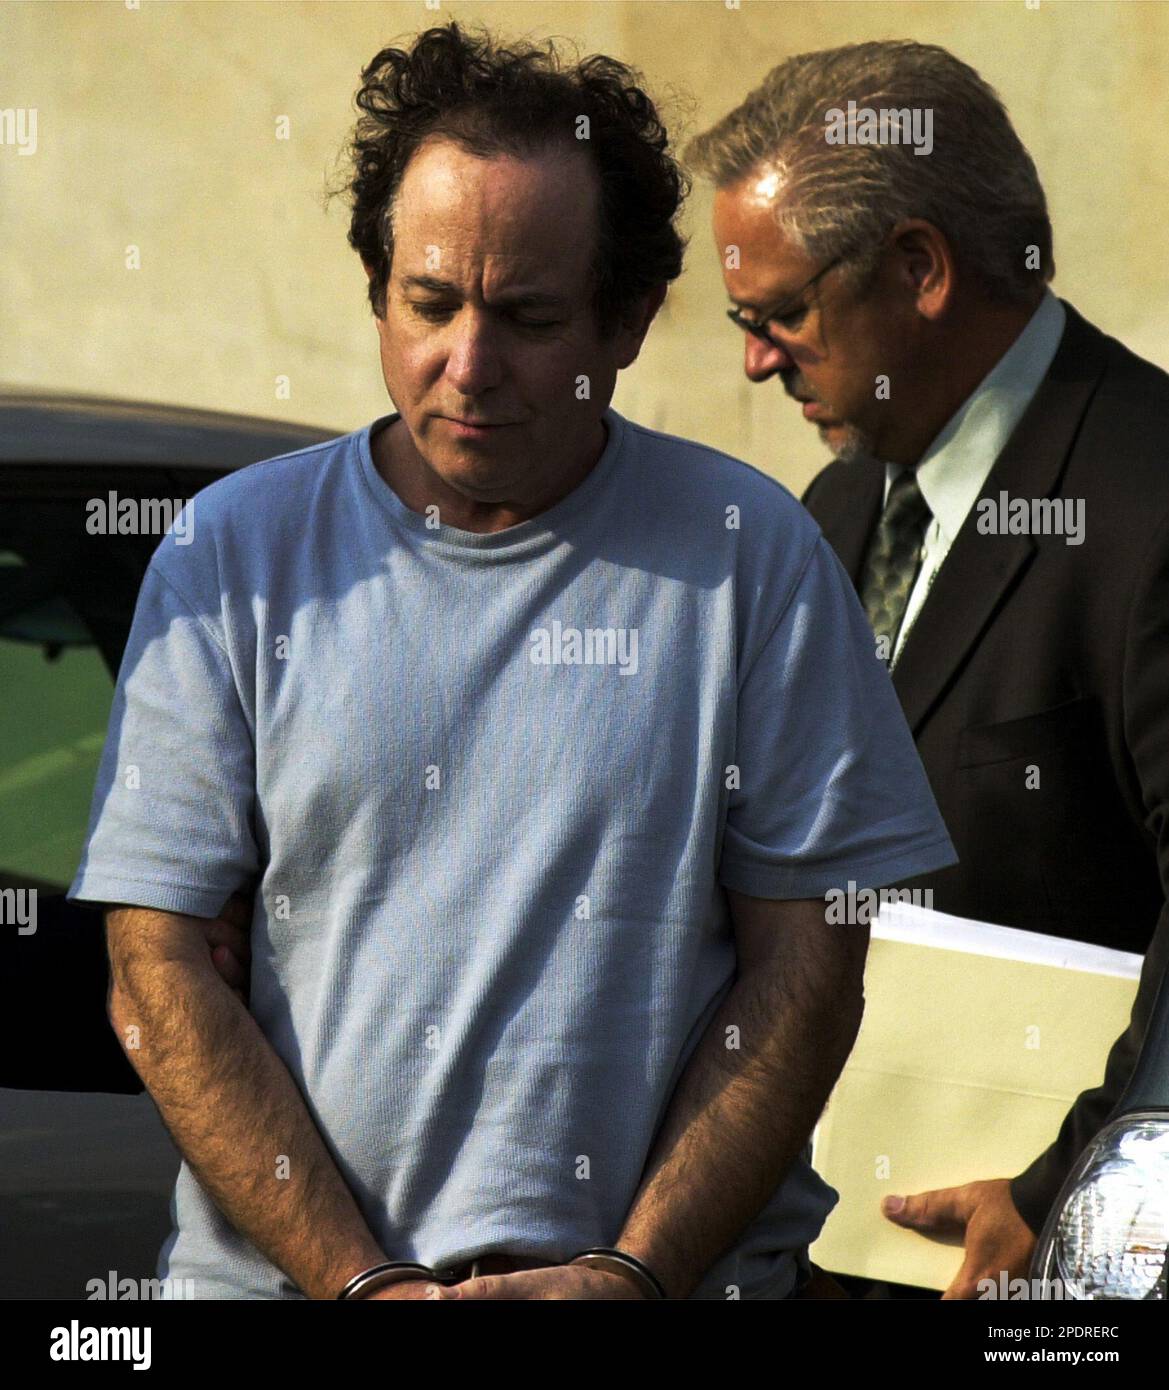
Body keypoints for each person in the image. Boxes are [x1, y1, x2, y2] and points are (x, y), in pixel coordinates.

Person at [68, 22, 955, 1301]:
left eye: (529, 317)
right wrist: (360, 1282)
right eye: (429, 302)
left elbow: (808, 970)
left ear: (632, 319)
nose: (467, 366)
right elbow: (155, 969)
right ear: (375, 286)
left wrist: (631, 1273)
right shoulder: (229, 559)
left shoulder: (747, 559)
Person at [683, 38, 1169, 1299]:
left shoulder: (1146, 494)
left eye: (776, 313)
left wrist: (1063, 1189)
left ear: (918, 268)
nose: (753, 359)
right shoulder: (832, 514)